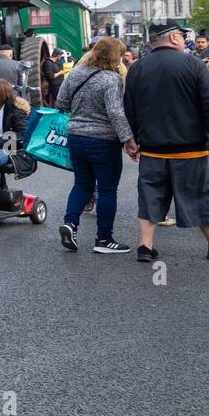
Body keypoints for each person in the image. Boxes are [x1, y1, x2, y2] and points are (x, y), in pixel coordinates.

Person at [123, 21, 209, 262]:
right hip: (191, 150)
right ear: (174, 38)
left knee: (150, 195)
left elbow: (129, 108)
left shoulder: (137, 68)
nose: (184, 41)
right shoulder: (195, 65)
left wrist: (132, 140)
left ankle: (145, 246)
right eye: (182, 36)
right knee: (200, 196)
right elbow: (208, 105)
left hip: (152, 148)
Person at [55, 36, 134, 254]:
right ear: (116, 58)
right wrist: (128, 139)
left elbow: (60, 102)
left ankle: (70, 224)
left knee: (82, 184)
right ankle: (104, 240)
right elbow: (116, 113)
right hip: (103, 140)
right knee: (107, 190)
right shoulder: (112, 79)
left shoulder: (76, 73)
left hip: (75, 137)